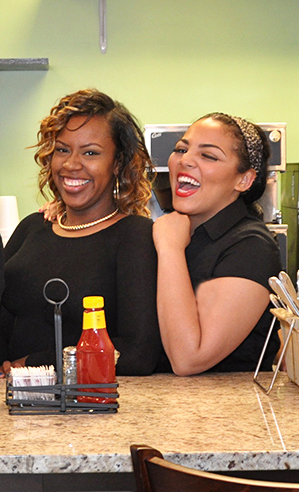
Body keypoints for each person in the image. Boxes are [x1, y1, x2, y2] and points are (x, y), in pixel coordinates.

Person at [0, 89, 161, 375]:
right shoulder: (32, 227)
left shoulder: (135, 237)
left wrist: (36, 364)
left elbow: (137, 351)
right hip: (14, 395)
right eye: (62, 149)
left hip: (85, 399)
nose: (71, 164)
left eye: (91, 153)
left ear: (117, 163)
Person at [152, 113, 281, 374]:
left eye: (209, 156)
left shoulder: (252, 248)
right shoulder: (176, 232)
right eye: (181, 149)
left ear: (244, 180)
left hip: (228, 400)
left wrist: (170, 251)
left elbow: (190, 358)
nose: (185, 160)